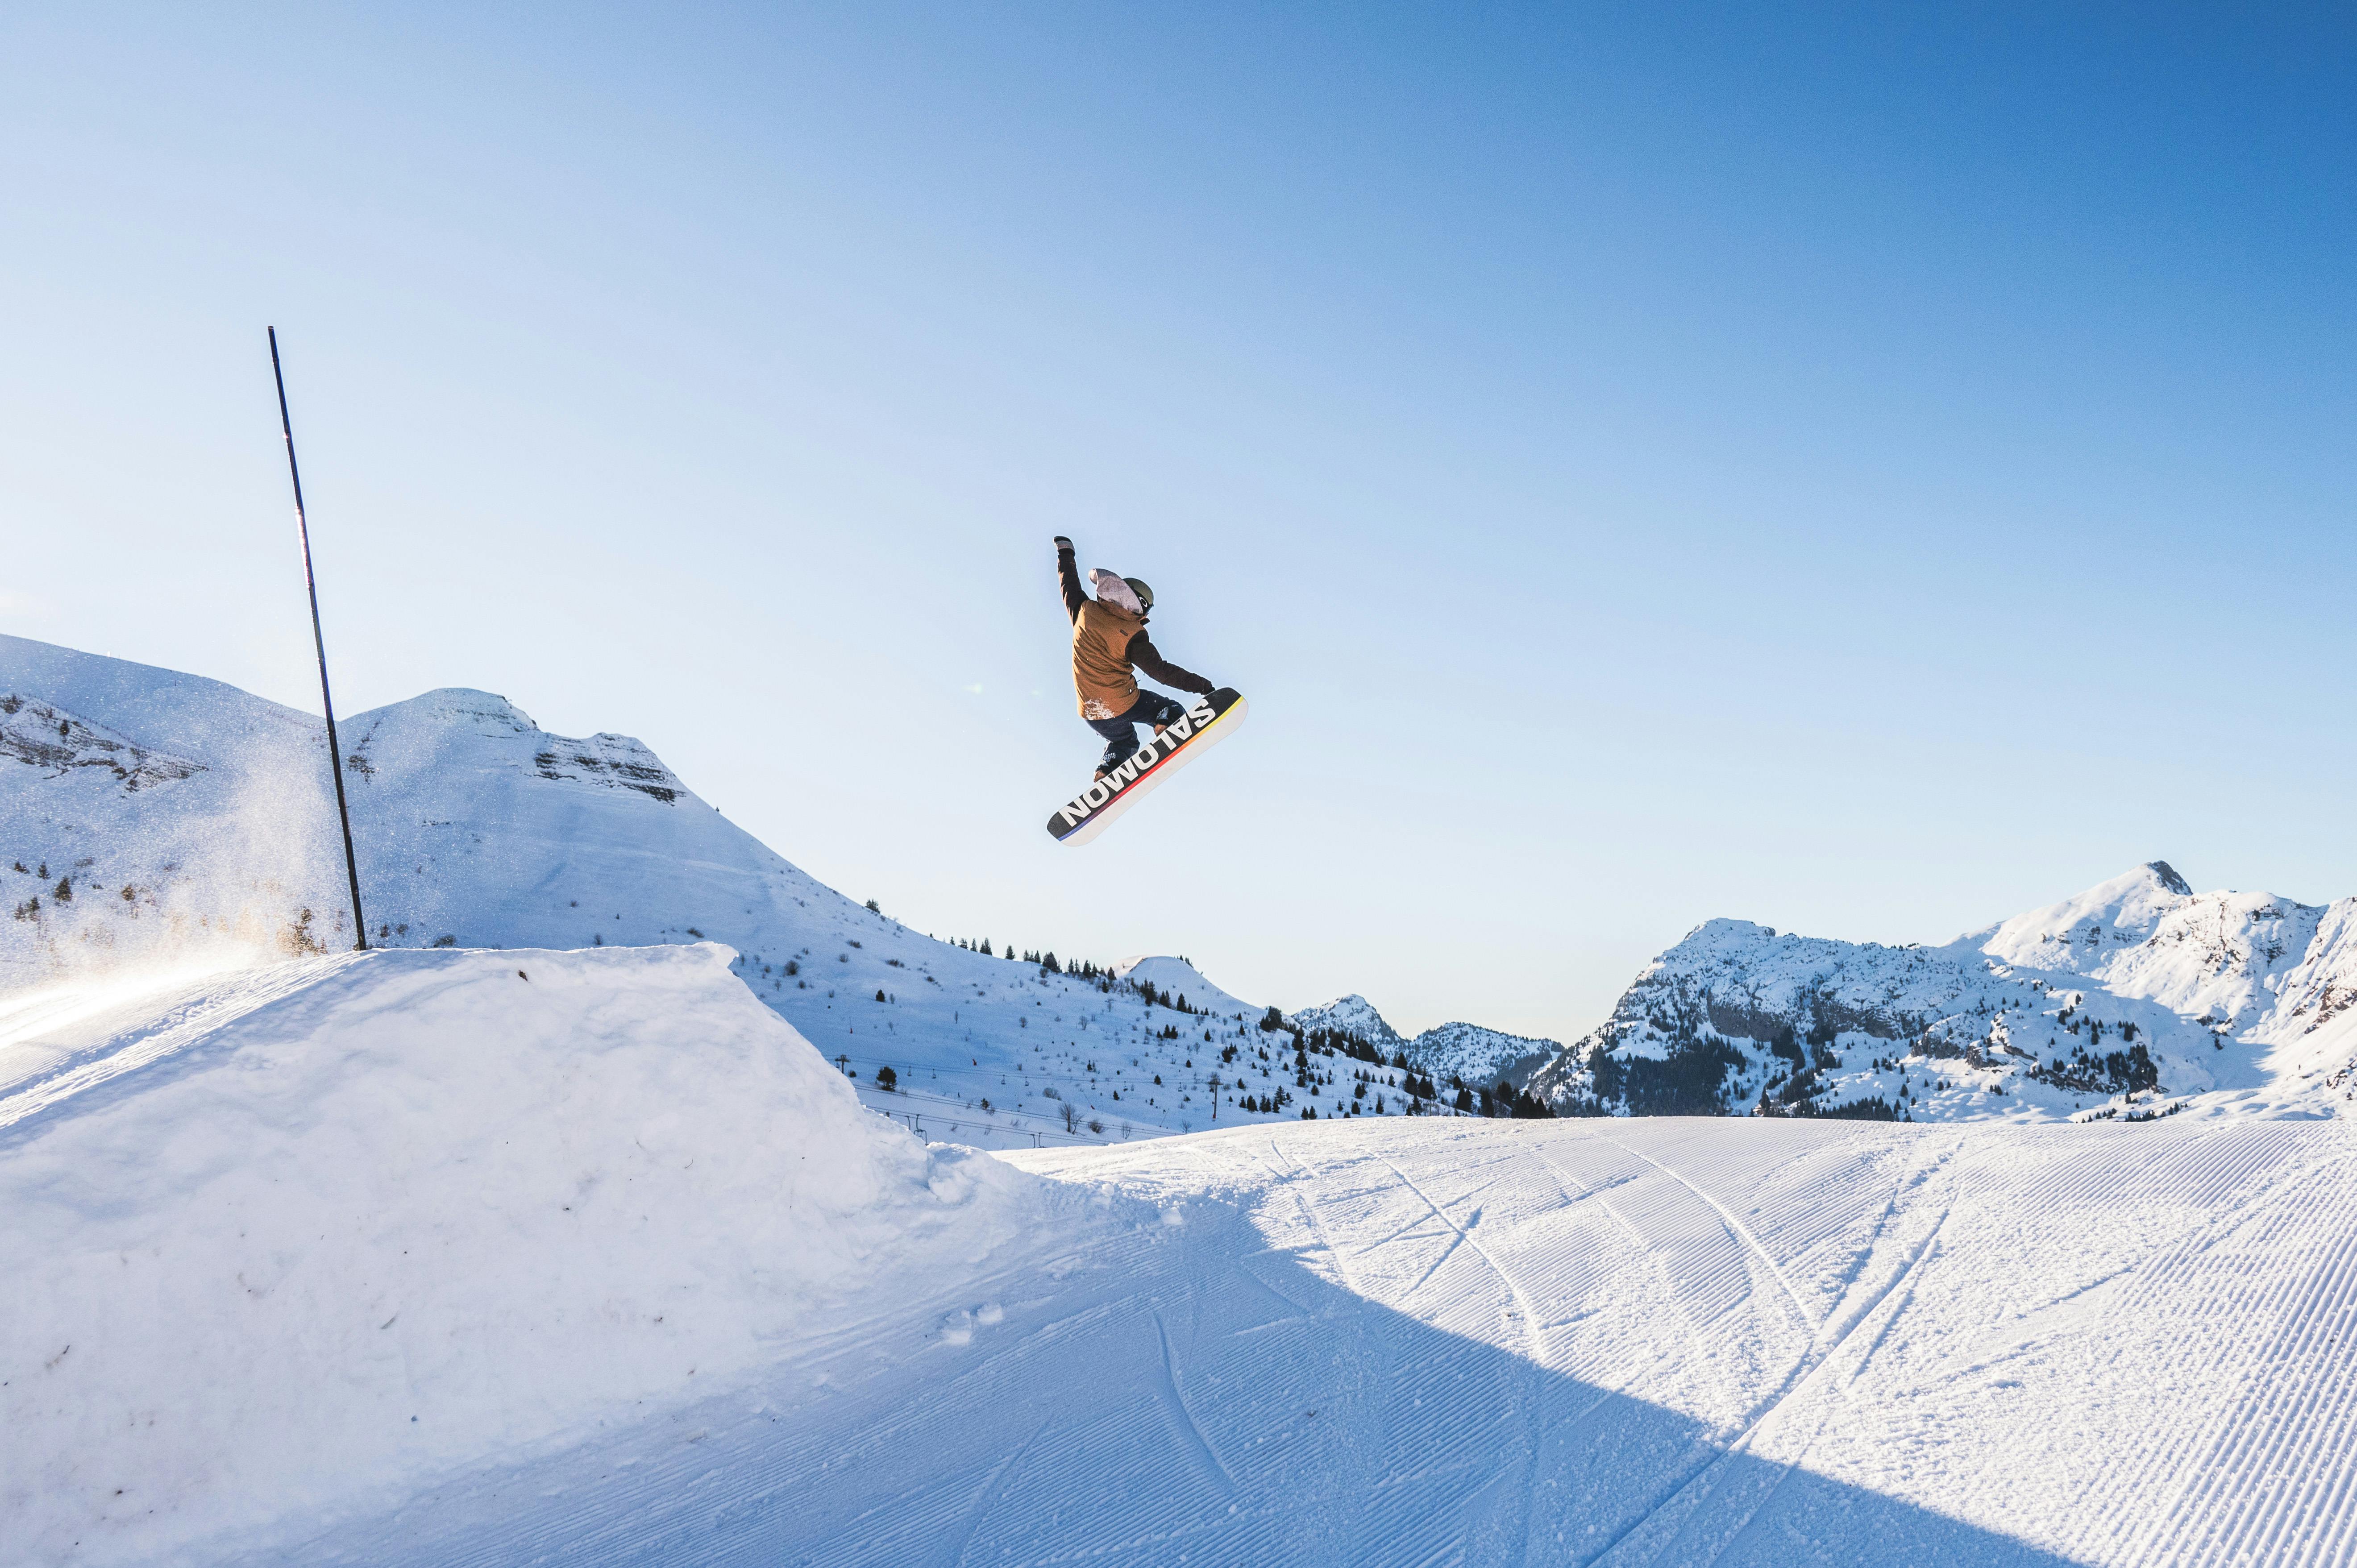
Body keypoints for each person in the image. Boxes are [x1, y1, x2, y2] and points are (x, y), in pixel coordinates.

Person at [1053, 535, 1217, 778]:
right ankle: (1165, 722)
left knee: (1125, 742)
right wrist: (1203, 687)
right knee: (1167, 707)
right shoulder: (1132, 635)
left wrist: (1066, 553)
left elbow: (1069, 585)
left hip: (1091, 714)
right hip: (1122, 703)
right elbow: (1161, 672)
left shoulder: (1084, 612)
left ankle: (1108, 767)